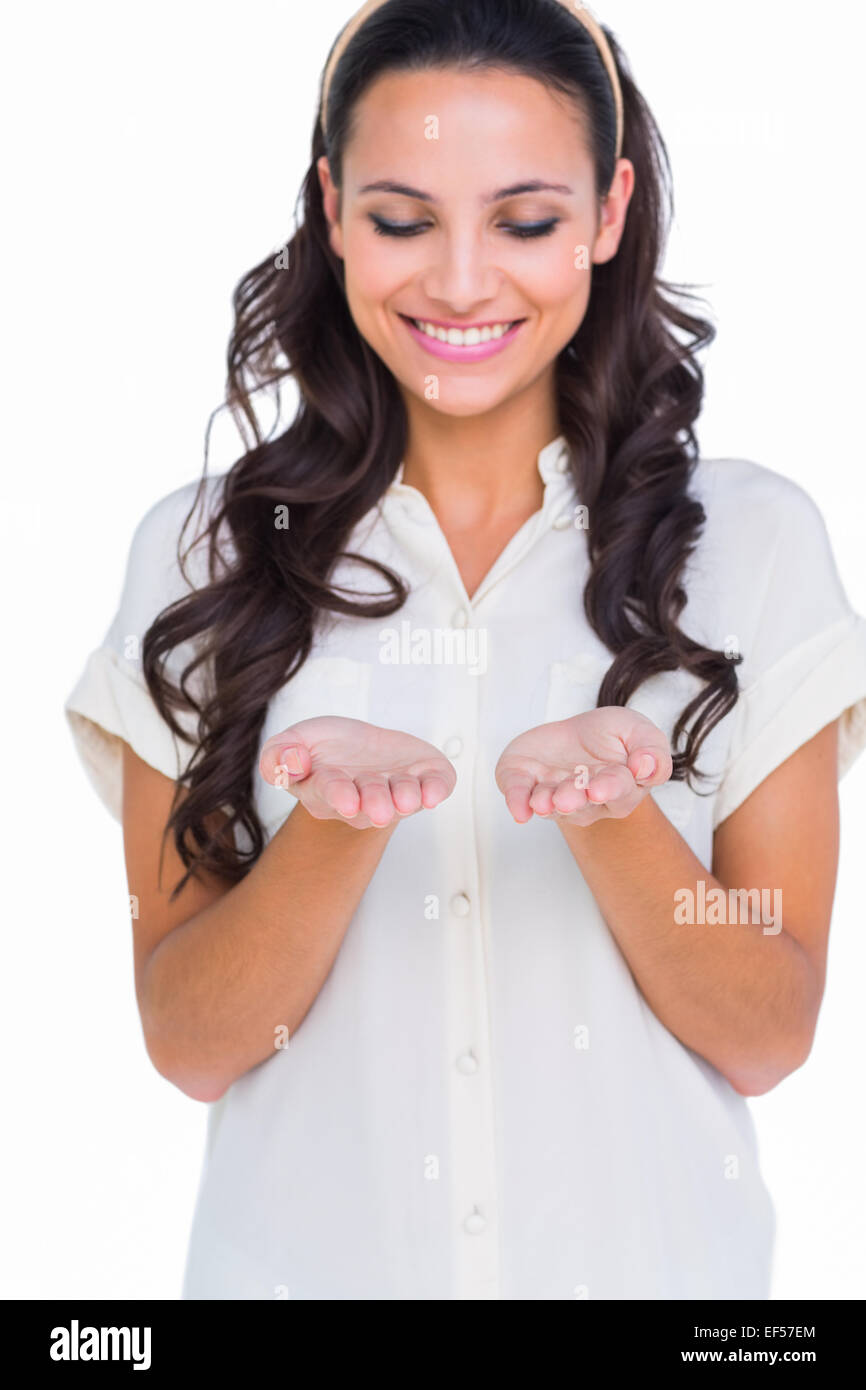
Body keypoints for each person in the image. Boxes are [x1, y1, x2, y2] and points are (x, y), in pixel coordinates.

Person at [64, 0, 866, 1300]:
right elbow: (194, 1043)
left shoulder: (752, 545)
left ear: (606, 213)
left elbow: (766, 1032)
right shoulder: (207, 553)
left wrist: (614, 816)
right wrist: (333, 823)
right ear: (331, 211)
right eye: (400, 219)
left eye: (524, 220)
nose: (457, 281)